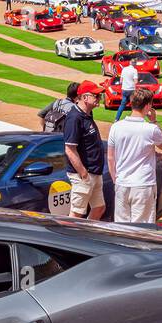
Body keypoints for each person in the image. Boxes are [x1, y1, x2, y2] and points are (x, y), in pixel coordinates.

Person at [106, 88, 162, 223]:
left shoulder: (116, 127)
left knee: (122, 228)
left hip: (122, 183)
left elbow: (111, 157)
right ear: (147, 106)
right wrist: (154, 121)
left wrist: (115, 180)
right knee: (142, 230)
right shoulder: (150, 129)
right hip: (143, 184)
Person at [62, 80, 106, 219]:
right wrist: (83, 173)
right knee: (76, 214)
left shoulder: (86, 114)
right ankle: (69, 240)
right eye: (96, 96)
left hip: (94, 172)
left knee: (99, 208)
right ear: (85, 98)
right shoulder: (74, 118)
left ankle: (88, 235)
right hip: (84, 174)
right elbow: (69, 149)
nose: (99, 98)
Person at [114, 57, 138, 122]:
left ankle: (116, 119)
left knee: (122, 105)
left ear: (130, 63)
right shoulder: (134, 70)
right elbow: (136, 82)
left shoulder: (124, 69)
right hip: (131, 89)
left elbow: (121, 81)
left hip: (124, 89)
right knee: (134, 105)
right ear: (135, 64)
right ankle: (133, 119)